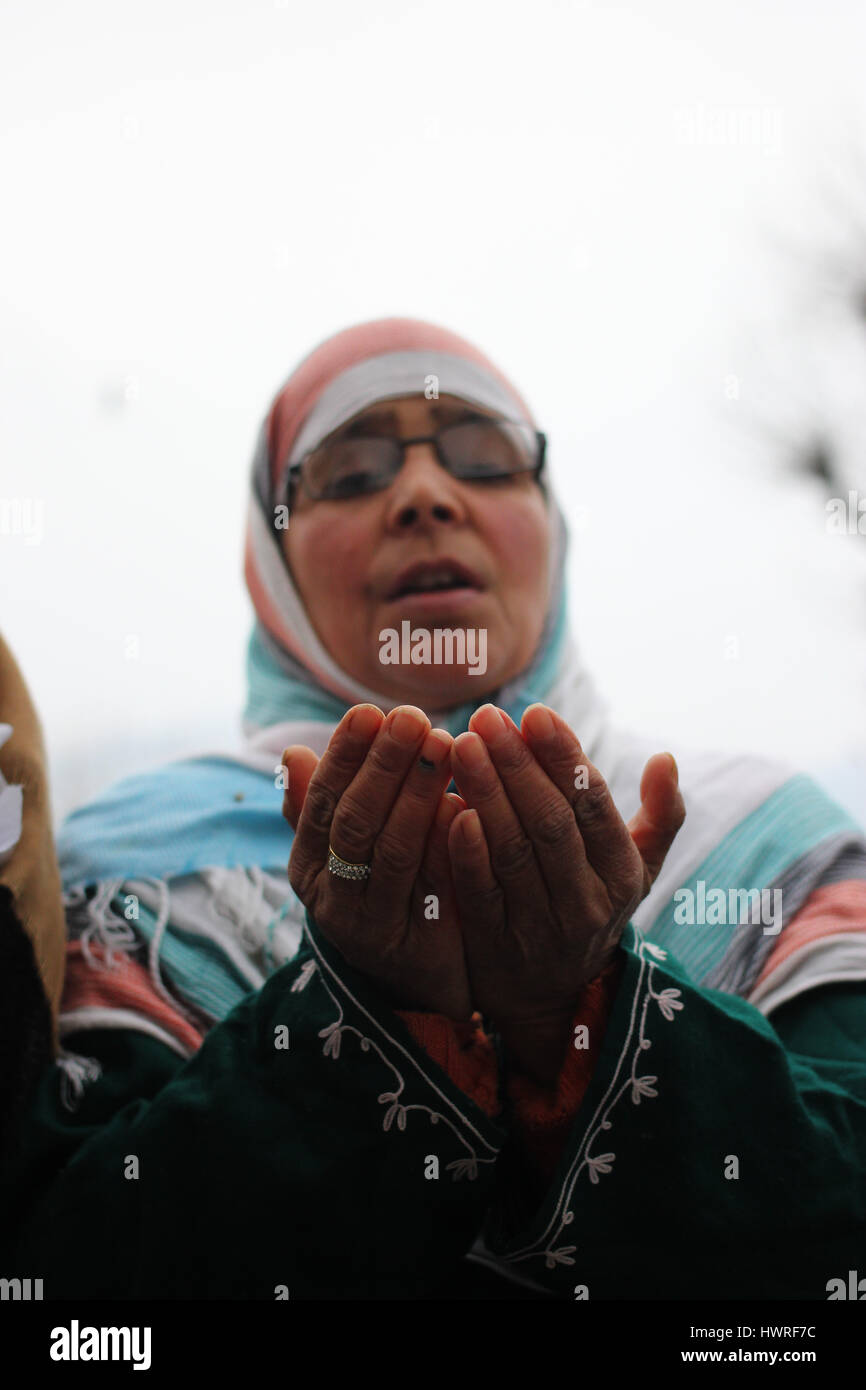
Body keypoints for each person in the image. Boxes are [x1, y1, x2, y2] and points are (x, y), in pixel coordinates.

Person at [2, 316, 866, 1301]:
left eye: (484, 458)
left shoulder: (762, 844)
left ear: (553, 520)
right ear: (270, 563)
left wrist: (580, 1013)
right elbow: (55, 1285)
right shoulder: (141, 871)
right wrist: (363, 1009)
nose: (421, 495)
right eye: (351, 472)